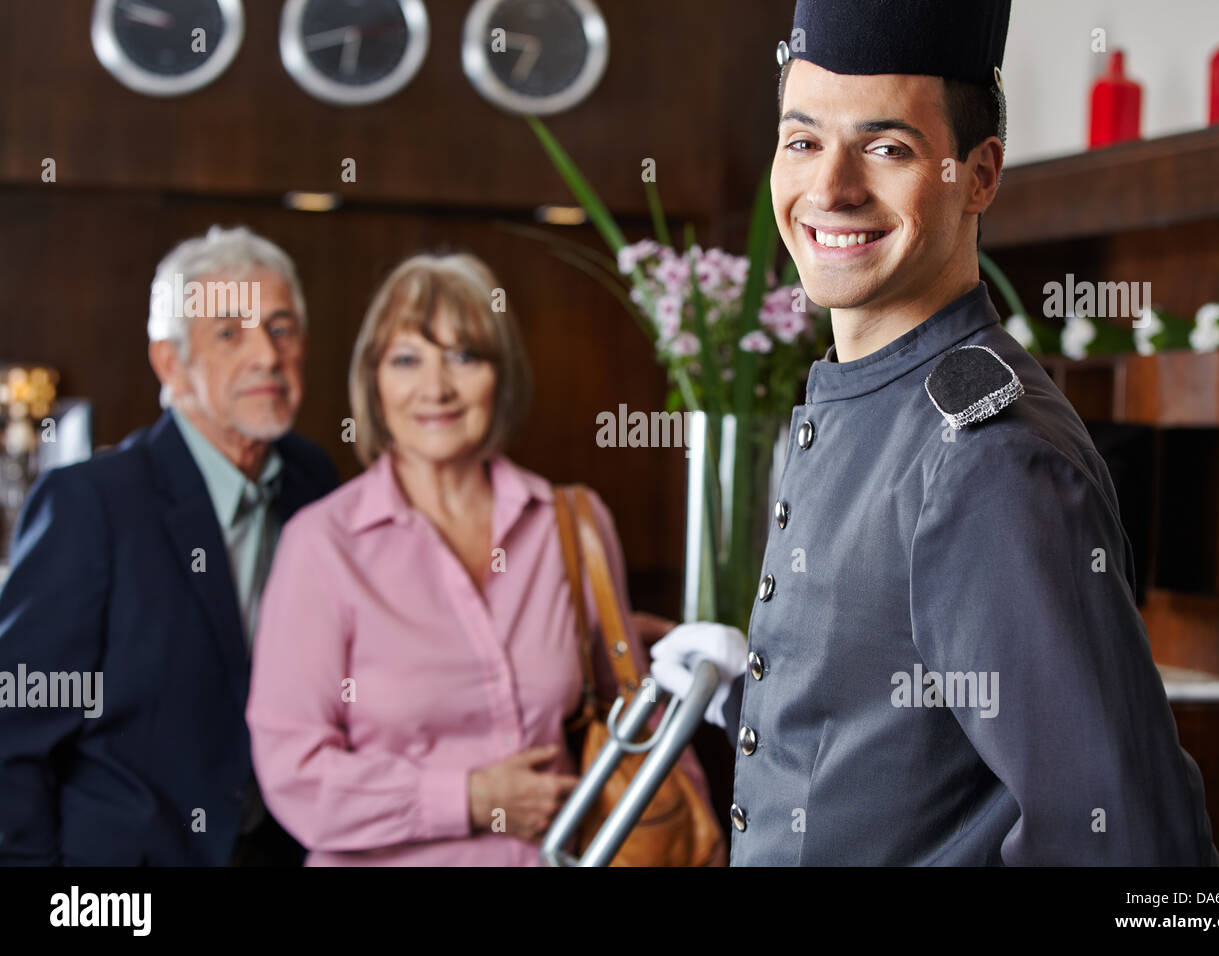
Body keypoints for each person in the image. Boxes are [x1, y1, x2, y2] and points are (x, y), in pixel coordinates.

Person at [650, 0, 1219, 866]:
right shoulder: (863, 399)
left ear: (980, 174)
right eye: (803, 141)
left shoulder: (989, 457)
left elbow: (1135, 847)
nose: (831, 188)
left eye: (887, 148)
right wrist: (744, 697)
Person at [246, 252, 711, 866]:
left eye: (465, 357)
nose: (435, 388)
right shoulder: (323, 544)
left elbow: (636, 718)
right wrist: (469, 797)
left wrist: (695, 832)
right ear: (374, 381)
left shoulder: (571, 524)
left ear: (502, 375)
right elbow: (293, 771)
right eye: (407, 359)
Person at [0, 225, 338, 866]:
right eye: (231, 334)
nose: (267, 355)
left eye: (282, 327)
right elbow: (14, 730)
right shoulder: (93, 506)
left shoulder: (313, 483)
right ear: (170, 363)